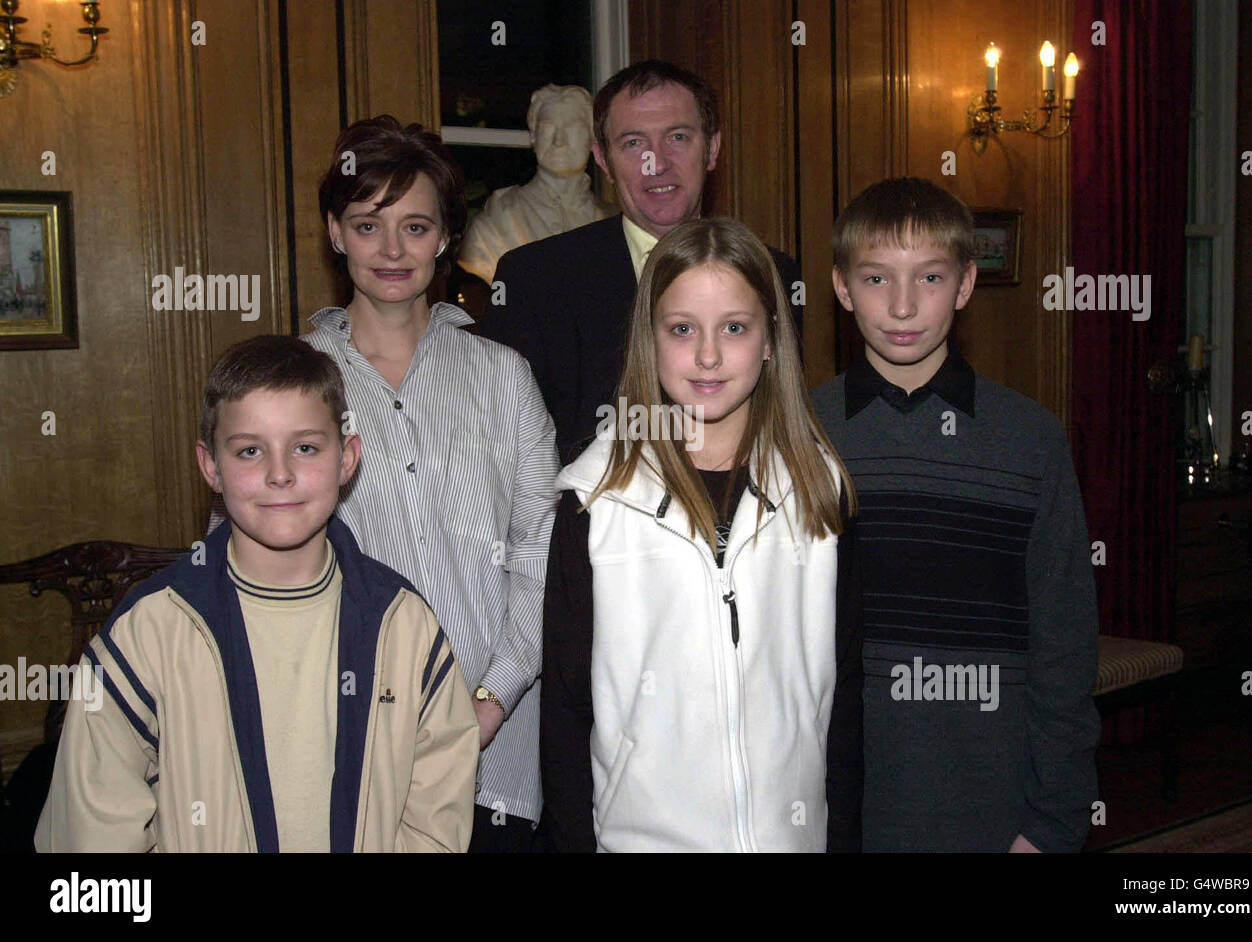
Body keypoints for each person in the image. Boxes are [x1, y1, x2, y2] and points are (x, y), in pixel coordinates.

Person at [37, 335, 479, 851]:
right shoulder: (148, 631)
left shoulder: (404, 625)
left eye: (306, 448)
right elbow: (93, 835)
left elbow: (436, 819)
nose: (279, 474)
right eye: (250, 450)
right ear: (210, 467)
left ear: (347, 459)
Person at [541, 218, 862, 852]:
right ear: (649, 340)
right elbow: (565, 712)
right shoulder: (596, 501)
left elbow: (844, 698)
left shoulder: (820, 494)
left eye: (735, 328)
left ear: (771, 340)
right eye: (682, 329)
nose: (708, 355)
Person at [810, 177, 1100, 852]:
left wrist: (1052, 819)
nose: (903, 304)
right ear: (842, 287)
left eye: (930, 277)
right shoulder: (801, 434)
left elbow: (1064, 642)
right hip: (836, 802)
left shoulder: (1030, 439)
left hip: (991, 800)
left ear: (966, 284)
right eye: (877, 278)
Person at [305, 116, 560, 851]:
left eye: (415, 227)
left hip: (499, 751)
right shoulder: (294, 381)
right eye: (367, 225)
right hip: (346, 747)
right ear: (334, 231)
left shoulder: (504, 378)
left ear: (447, 236)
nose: (391, 251)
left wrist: (490, 699)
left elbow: (540, 554)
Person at [481, 60, 802, 462]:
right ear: (603, 160)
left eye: (678, 137)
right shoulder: (534, 280)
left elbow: (782, 428)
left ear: (713, 149)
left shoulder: (774, 275)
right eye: (633, 143)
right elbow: (506, 452)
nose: (657, 161)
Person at [458, 84, 613, 285]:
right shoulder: (497, 220)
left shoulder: (613, 221)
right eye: (548, 128)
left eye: (574, 128)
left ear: (593, 139)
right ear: (533, 136)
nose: (559, 140)